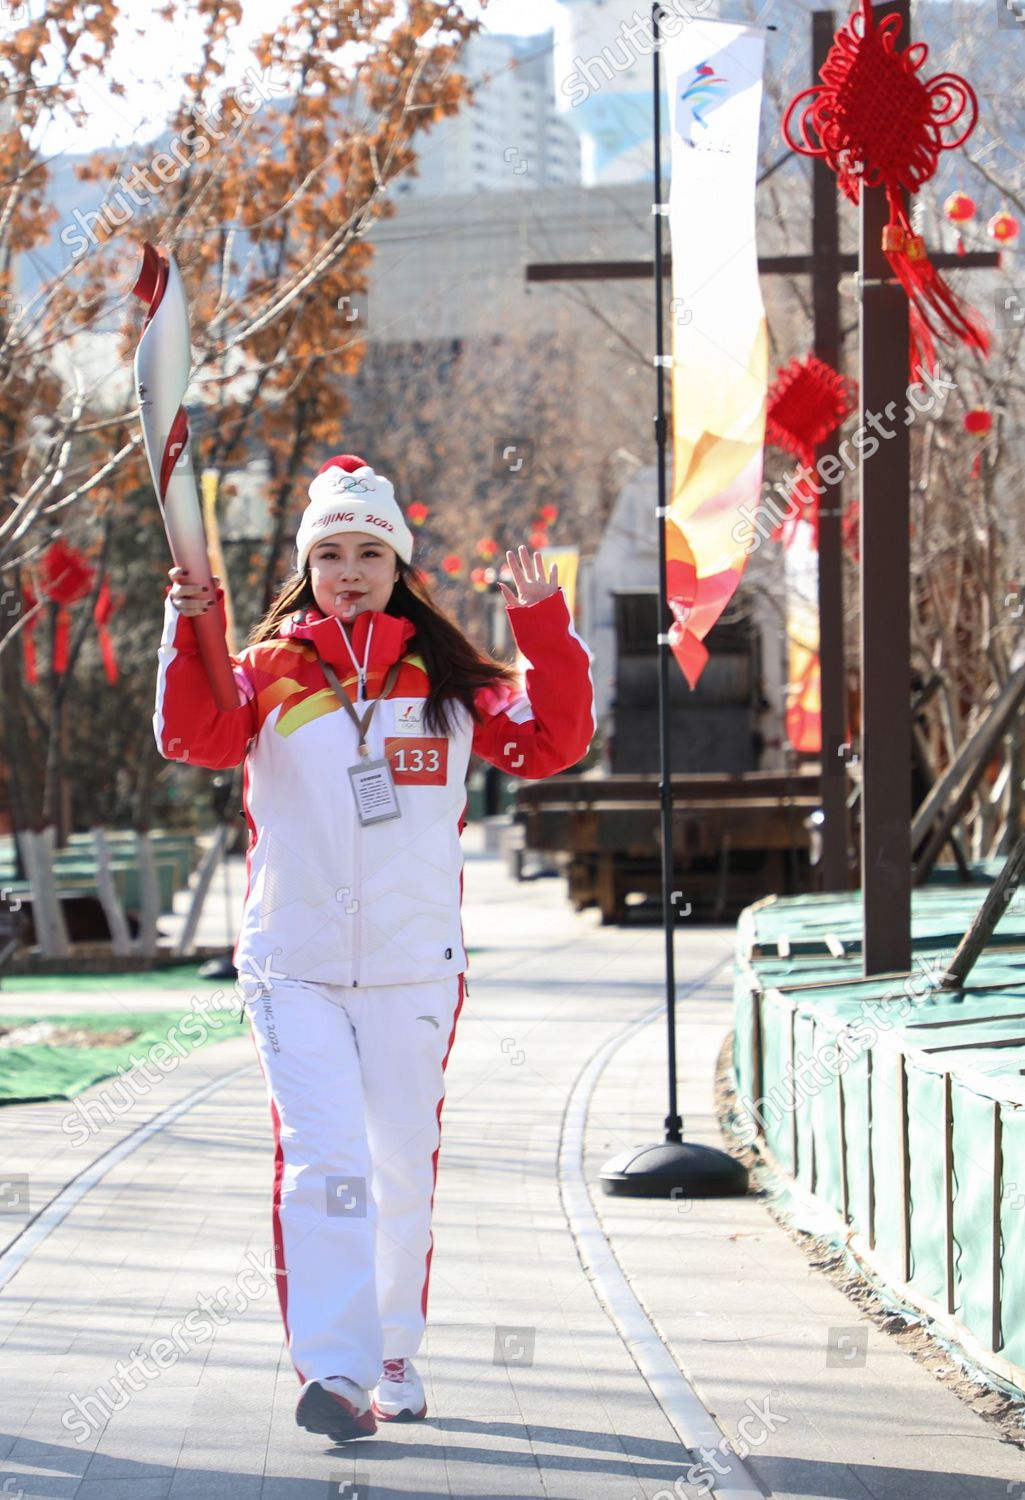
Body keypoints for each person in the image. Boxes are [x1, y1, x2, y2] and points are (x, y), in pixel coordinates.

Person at [154, 453, 596, 1443]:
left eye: (367, 552)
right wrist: (192, 624)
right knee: (326, 1161)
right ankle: (338, 1371)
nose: (347, 570)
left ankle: (395, 1351)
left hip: (411, 967)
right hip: (293, 965)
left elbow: (553, 742)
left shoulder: (443, 681)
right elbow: (193, 735)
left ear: (398, 567)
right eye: (328, 554)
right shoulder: (266, 672)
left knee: (398, 1165)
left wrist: (541, 630)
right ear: (307, 569)